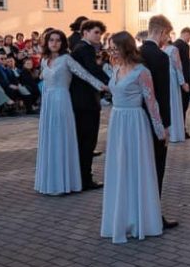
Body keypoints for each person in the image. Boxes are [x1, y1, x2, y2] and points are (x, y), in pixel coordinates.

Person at [99, 31, 166, 243]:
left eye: (115, 48)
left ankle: (140, 219)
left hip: (135, 123)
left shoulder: (142, 71)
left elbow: (152, 103)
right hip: (117, 121)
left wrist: (160, 131)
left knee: (136, 168)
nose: (112, 52)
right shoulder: (116, 68)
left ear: (125, 47)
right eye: (110, 48)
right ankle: (121, 217)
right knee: (119, 168)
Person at [34, 28, 107, 196]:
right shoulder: (44, 60)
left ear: (63, 43)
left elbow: (84, 74)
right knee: (50, 139)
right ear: (47, 42)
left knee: (61, 139)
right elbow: (43, 78)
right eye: (51, 40)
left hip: (62, 102)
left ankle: (64, 181)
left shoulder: (66, 59)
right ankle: (50, 181)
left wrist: (102, 86)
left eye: (58, 40)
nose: (54, 43)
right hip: (48, 104)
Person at [139, 18, 179, 229]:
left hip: (136, 118)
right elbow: (162, 94)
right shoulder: (160, 56)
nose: (167, 39)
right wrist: (166, 125)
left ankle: (139, 211)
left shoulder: (136, 53)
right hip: (154, 119)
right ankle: (154, 215)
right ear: (162, 32)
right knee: (156, 167)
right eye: (167, 34)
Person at [68, 18, 106, 189]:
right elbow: (93, 70)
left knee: (83, 141)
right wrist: (112, 82)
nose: (99, 36)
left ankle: (81, 178)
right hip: (86, 101)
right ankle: (85, 179)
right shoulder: (86, 48)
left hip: (80, 100)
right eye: (96, 32)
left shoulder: (79, 47)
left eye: (100, 33)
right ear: (85, 32)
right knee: (88, 141)